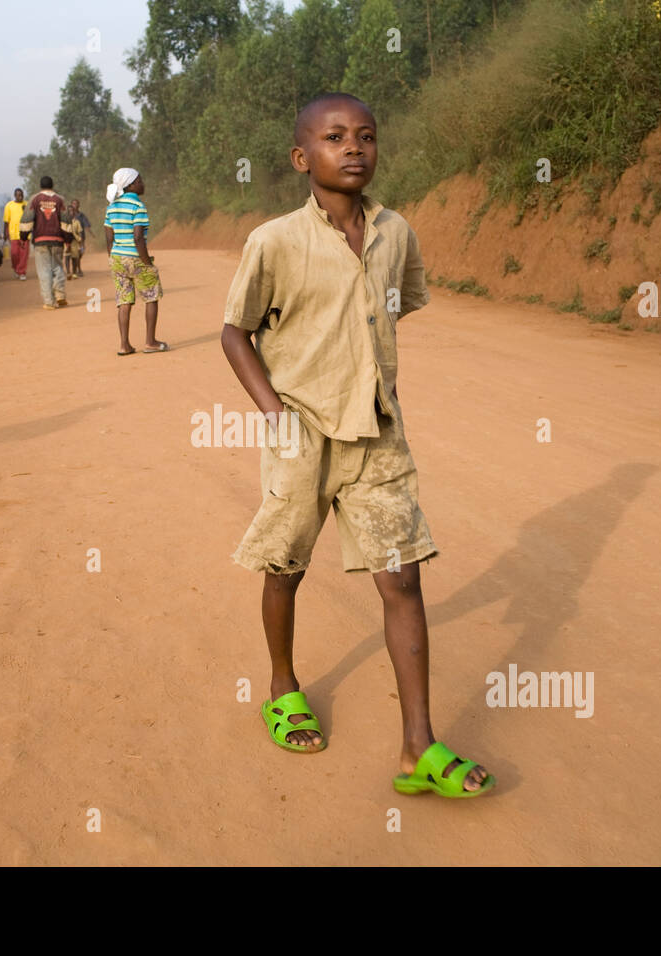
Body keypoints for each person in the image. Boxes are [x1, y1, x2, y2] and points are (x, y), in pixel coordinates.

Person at [220, 92, 495, 798]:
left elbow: (391, 311)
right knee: (285, 566)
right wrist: (274, 413)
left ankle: (419, 748)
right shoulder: (274, 241)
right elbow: (235, 331)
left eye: (366, 136)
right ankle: (281, 684)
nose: (353, 148)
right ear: (301, 156)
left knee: (403, 578)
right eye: (335, 137)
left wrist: (379, 384)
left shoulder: (396, 233)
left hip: (377, 434)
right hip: (301, 433)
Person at [103, 168, 166, 356]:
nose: (143, 183)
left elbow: (108, 237)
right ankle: (150, 342)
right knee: (151, 297)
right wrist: (147, 263)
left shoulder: (111, 207)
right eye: (139, 181)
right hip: (136, 257)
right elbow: (138, 237)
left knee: (124, 301)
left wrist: (112, 258)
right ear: (130, 185)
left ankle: (124, 345)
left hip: (117, 259)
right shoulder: (138, 206)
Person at [28, 176, 69, 309]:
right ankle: (60, 295)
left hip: (40, 241)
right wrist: (67, 238)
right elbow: (66, 221)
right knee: (57, 267)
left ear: (40, 185)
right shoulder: (60, 200)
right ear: (52, 185)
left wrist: (24, 235)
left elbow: (27, 219)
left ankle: (49, 302)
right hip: (57, 240)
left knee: (44, 270)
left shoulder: (34, 199)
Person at [3, 187, 30, 280]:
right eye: (18, 195)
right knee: (14, 253)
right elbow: (6, 221)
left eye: (21, 195)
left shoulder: (27, 205)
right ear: (15, 195)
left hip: (25, 234)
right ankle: (15, 268)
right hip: (13, 233)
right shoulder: (9, 206)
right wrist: (5, 233)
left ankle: (22, 272)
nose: (20, 197)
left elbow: (31, 219)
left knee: (24, 254)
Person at [67, 199, 91, 278]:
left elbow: (86, 225)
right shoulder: (67, 216)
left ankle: (77, 268)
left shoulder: (81, 215)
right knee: (69, 255)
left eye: (76, 204)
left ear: (79, 205)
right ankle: (74, 270)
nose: (75, 205)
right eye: (73, 203)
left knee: (80, 254)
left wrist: (90, 232)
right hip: (69, 239)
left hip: (80, 238)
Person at [64, 206, 85, 279]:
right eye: (69, 211)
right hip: (66, 242)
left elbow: (80, 232)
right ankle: (68, 272)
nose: (71, 213)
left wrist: (81, 245)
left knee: (75, 257)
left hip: (75, 242)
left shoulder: (76, 222)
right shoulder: (64, 222)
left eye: (72, 211)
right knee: (67, 256)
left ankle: (74, 272)